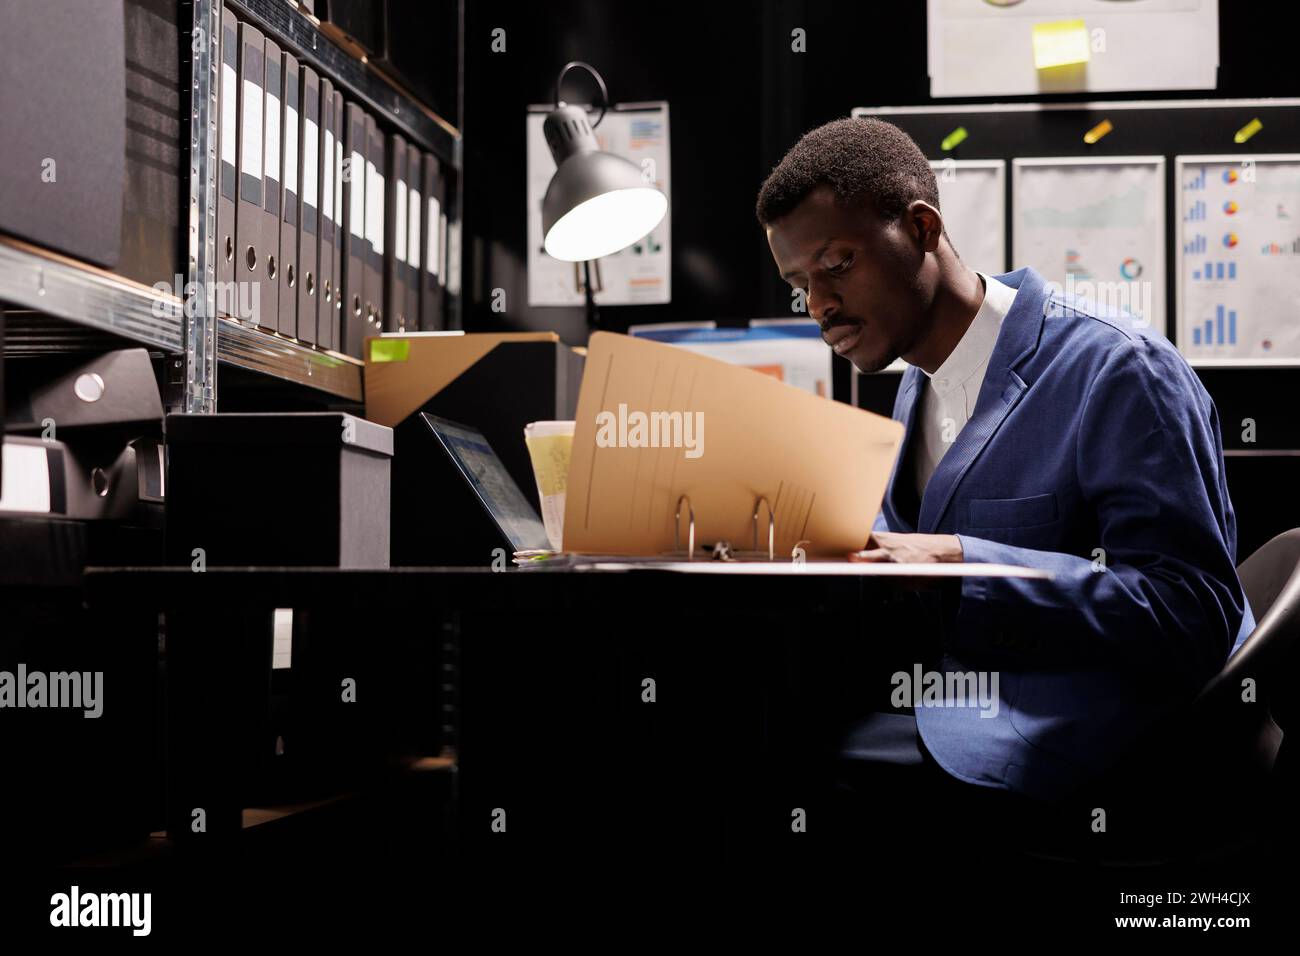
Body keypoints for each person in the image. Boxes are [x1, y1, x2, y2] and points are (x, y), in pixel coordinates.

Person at [755, 118, 1255, 858]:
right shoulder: (915, 387)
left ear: (922, 229)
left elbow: (1194, 611)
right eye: (799, 284)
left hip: (1098, 737)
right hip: (957, 700)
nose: (818, 305)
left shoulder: (1122, 370)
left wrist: (960, 562)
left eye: (837, 263)